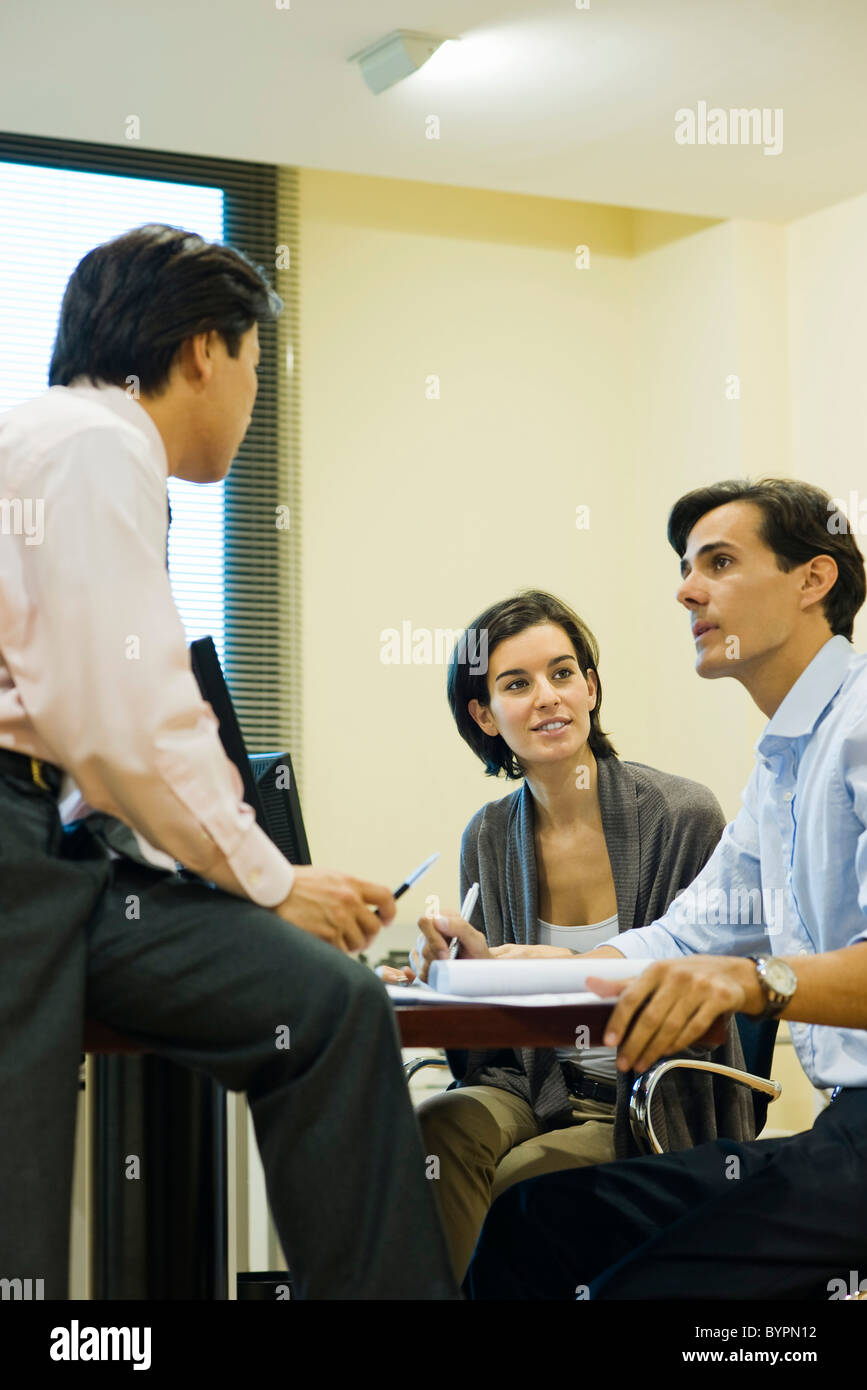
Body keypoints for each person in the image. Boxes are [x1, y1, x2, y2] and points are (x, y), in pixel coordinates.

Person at [0, 223, 459, 1300]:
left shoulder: (44, 437)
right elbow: (127, 722)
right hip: (18, 855)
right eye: (258, 365)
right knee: (335, 1006)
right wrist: (272, 879)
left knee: (323, 1003)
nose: (254, 400)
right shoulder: (96, 445)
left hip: (45, 849)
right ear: (206, 350)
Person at [464, 477, 867, 1300]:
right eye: (687, 568)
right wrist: (518, 970)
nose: (684, 589)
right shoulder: (781, 765)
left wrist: (758, 980)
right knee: (531, 1224)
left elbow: (732, 967)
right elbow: (684, 939)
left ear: (811, 581)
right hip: (844, 1132)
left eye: (717, 563)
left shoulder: (858, 728)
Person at [397, 589, 754, 1284]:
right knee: (435, 1127)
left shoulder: (681, 815)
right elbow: (493, 1046)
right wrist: (458, 973)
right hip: (531, 1086)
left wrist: (553, 965)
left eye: (562, 674)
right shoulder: (491, 834)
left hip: (642, 1094)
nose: (547, 697)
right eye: (516, 684)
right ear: (483, 715)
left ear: (590, 687)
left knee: (524, 1182)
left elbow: (706, 993)